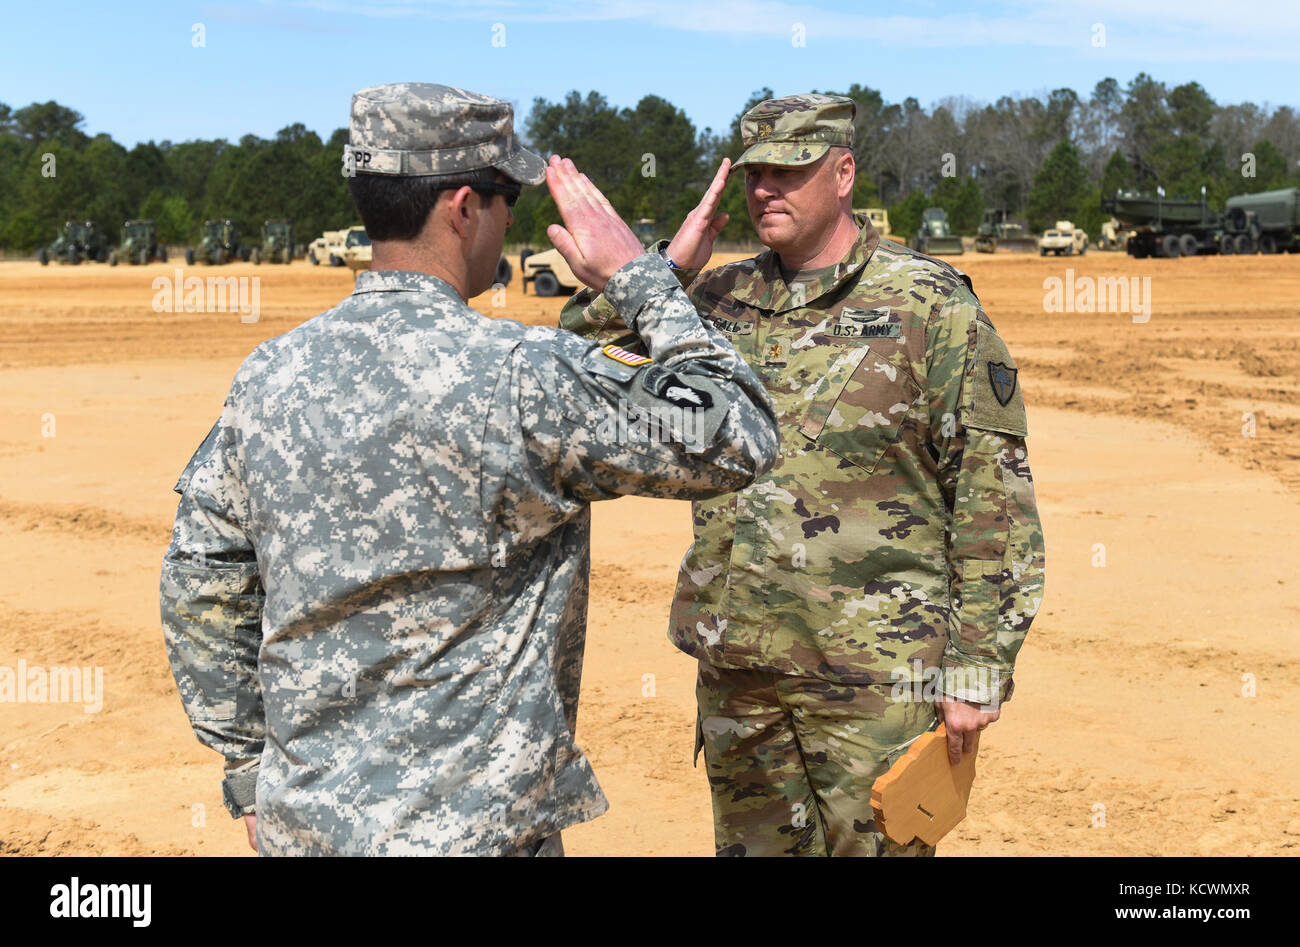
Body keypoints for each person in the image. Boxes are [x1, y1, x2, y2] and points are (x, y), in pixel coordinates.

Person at [159, 82, 779, 857]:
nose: (511, 217)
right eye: (503, 197)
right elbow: (738, 430)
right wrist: (641, 278)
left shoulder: (268, 374)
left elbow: (200, 576)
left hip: (307, 829)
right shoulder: (520, 373)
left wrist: (250, 767)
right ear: (462, 207)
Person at [561, 92, 1045, 856]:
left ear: (844, 172)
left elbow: (993, 494)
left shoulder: (929, 305)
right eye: (754, 173)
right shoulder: (717, 302)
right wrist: (668, 270)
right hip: (740, 671)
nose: (765, 190)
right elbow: (582, 370)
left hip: (875, 679)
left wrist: (978, 665)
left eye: (789, 170)